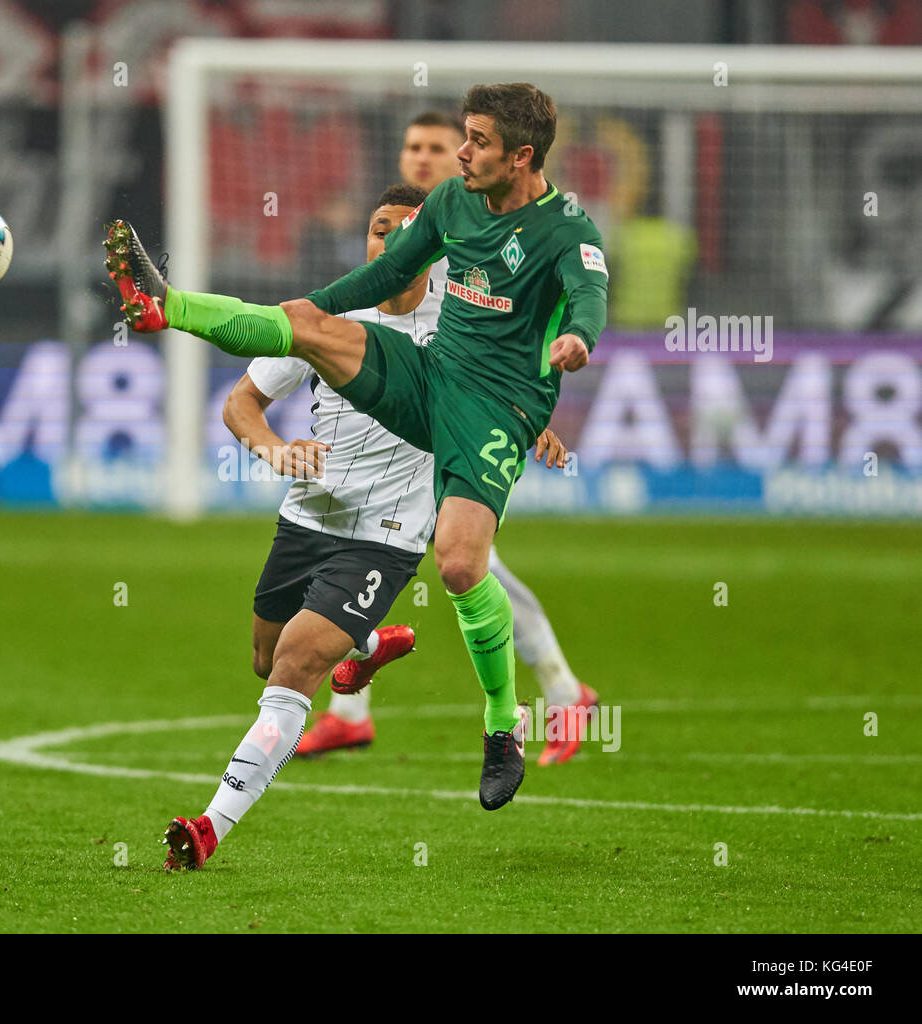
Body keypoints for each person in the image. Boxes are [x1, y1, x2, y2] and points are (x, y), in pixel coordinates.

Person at [107, 81, 607, 828]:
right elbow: (374, 279)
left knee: (464, 563)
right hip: (429, 377)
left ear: (522, 156)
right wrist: (311, 317)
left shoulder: (568, 229)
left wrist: (578, 341)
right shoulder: (448, 205)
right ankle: (165, 306)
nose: (462, 152)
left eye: (476, 141)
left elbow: (589, 295)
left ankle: (503, 723)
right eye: (459, 137)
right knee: (308, 320)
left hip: (498, 406)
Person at [152, 184, 569, 870]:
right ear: (367, 245)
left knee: (291, 667)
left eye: (408, 232)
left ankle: (210, 826)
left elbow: (507, 382)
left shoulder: (460, 326)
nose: (391, 243)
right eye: (379, 230)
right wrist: (273, 449)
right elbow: (241, 402)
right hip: (307, 516)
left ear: (433, 251)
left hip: (385, 534)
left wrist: (532, 421)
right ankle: (367, 643)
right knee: (264, 654)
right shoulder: (331, 319)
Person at [301, 109, 598, 762]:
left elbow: (518, 333)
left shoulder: (477, 237)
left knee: (457, 561)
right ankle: (353, 708)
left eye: (441, 146)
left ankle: (559, 690)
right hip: (407, 413)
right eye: (415, 145)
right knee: (420, 551)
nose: (426, 156)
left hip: (460, 420)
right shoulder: (416, 230)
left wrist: (529, 415)